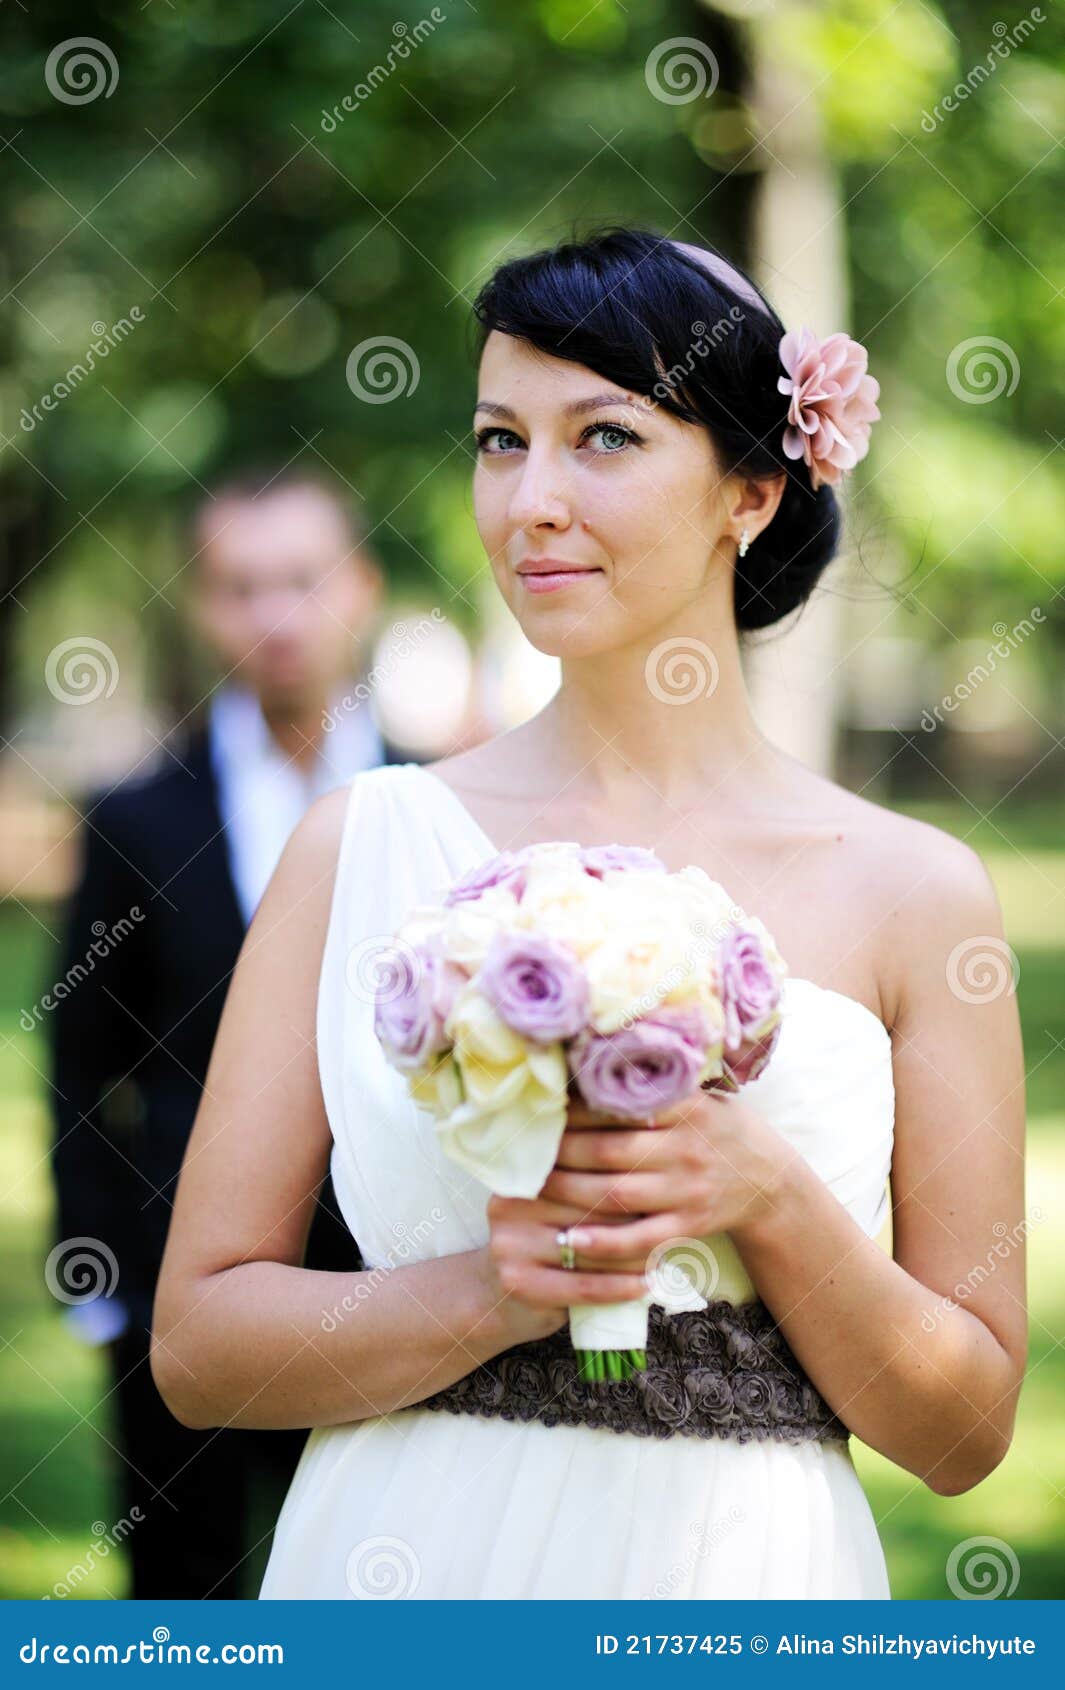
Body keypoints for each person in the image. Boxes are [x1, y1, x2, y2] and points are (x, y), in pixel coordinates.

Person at [150, 228, 1027, 1600]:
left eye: (603, 438)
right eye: (501, 440)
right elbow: (197, 1347)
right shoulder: (360, 849)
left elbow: (967, 1429)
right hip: (407, 1570)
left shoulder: (918, 894)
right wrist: (490, 1295)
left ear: (751, 486)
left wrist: (766, 1194)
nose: (531, 501)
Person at [48, 463, 408, 1598]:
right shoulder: (136, 818)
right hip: (174, 1287)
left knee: (375, 1597)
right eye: (241, 587)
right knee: (182, 1600)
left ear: (359, 588)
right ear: (204, 608)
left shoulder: (440, 804)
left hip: (389, 1284)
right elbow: (78, 1057)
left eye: (301, 580)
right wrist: (98, 1273)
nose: (275, 617)